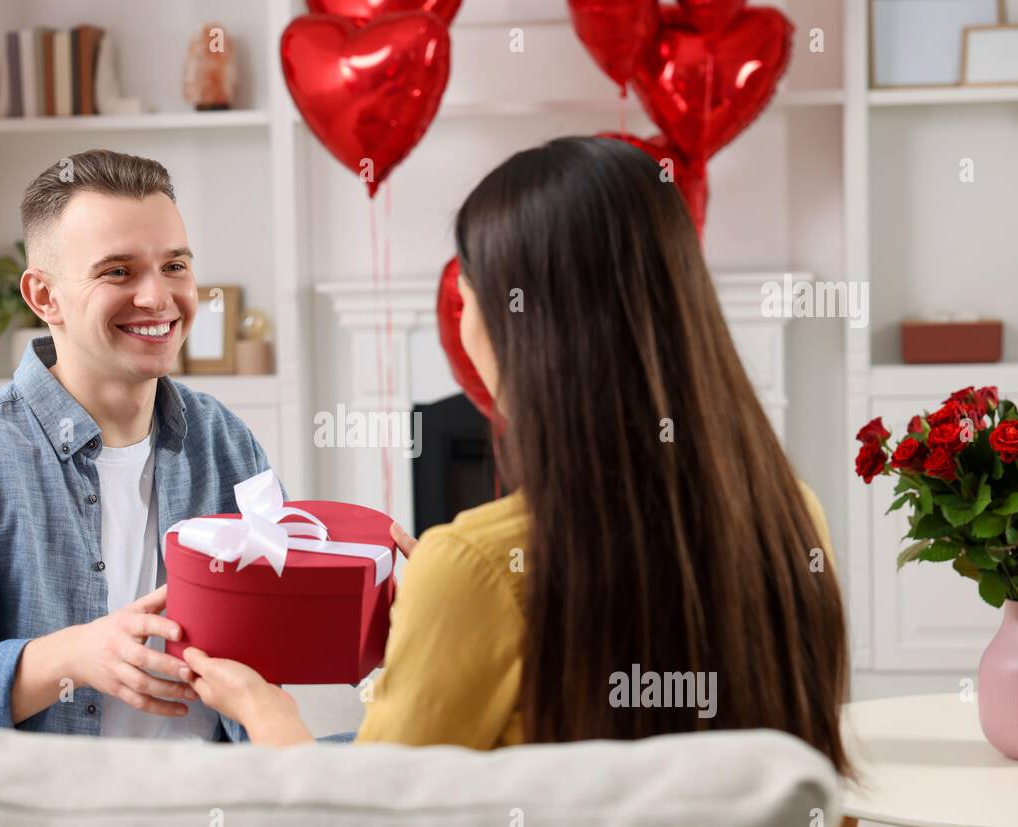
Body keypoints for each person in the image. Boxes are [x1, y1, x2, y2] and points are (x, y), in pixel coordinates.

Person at [183, 135, 852, 778]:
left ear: (519, 323)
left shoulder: (475, 564)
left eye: (467, 287)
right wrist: (435, 628)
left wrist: (264, 716)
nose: (463, 310)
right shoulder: (794, 515)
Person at [0, 149, 277, 743]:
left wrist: (385, 602)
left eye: (175, 265)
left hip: (220, 797)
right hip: (60, 814)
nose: (159, 298)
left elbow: (275, 629)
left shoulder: (225, 442)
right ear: (43, 297)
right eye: (118, 272)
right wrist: (70, 656)